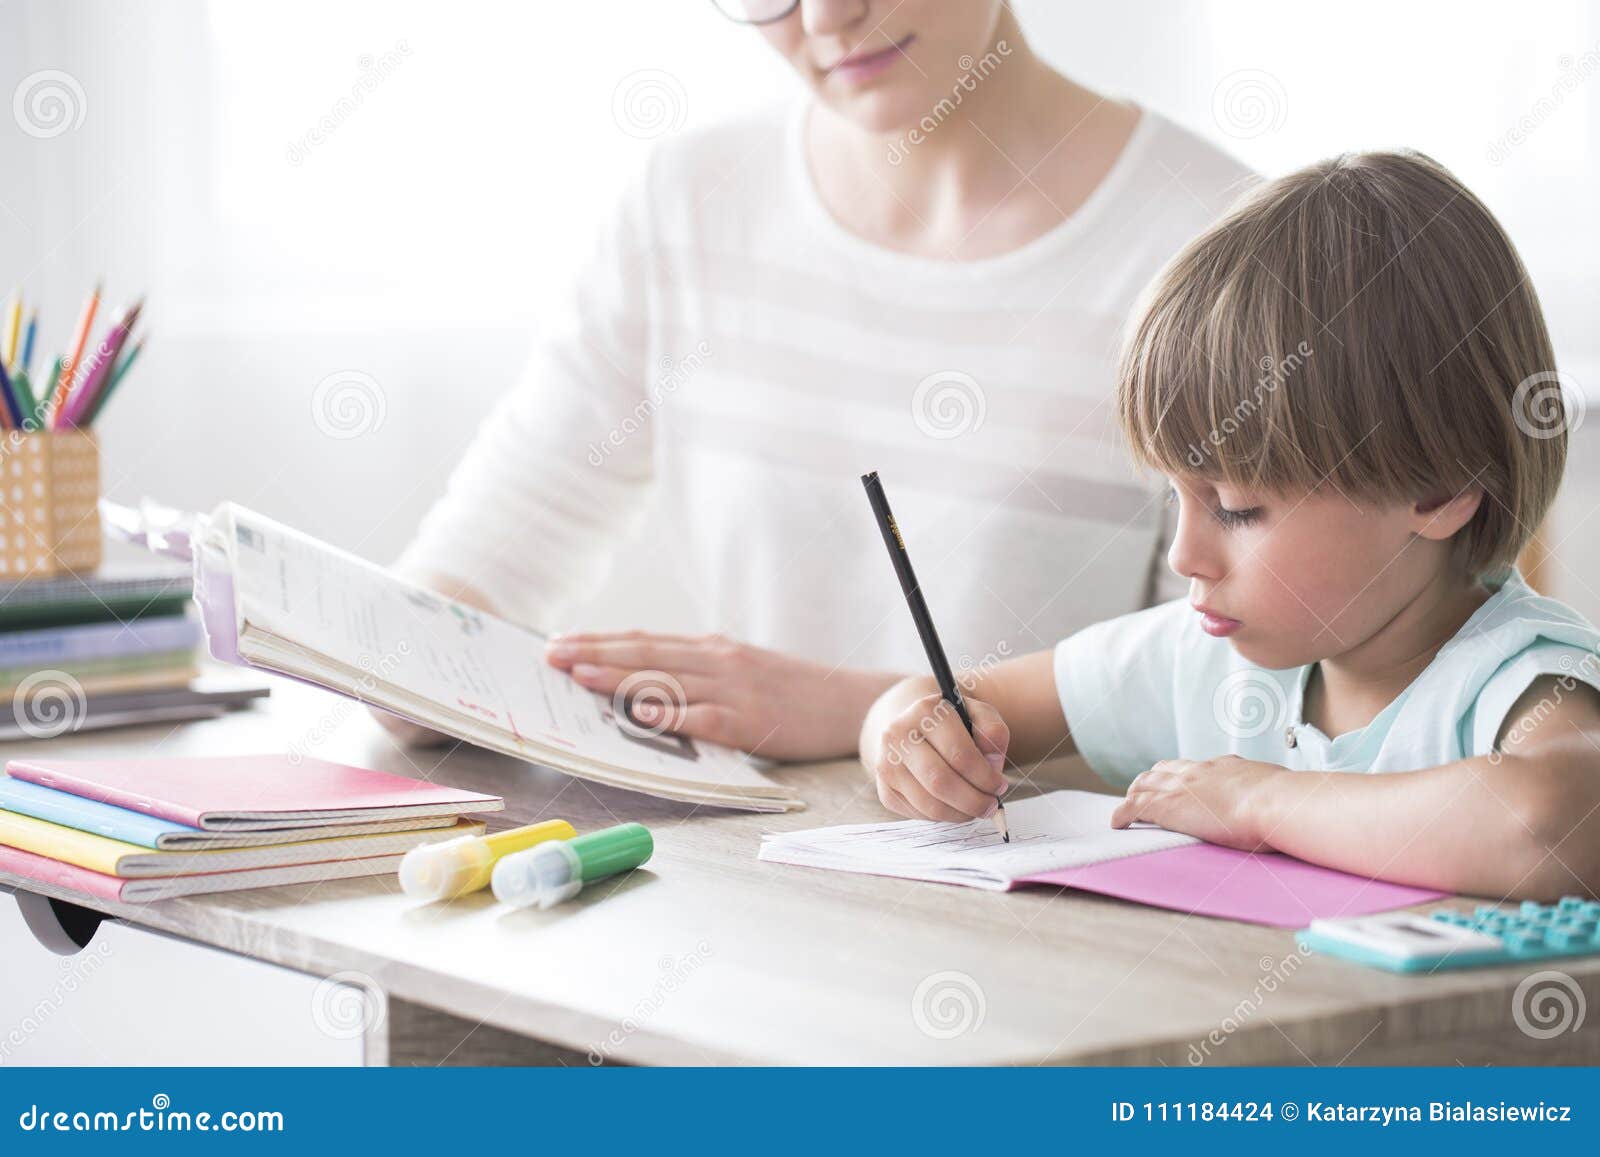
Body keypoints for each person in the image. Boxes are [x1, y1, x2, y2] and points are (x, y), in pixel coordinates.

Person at [383, 0, 1253, 759]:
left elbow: (1238, 701)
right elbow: (504, 535)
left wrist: (858, 711)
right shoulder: (691, 202)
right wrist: (394, 665)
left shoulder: (1220, 250)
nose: (827, 17)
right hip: (757, 881)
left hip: (1049, 907)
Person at [859, 150, 1600, 900]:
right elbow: (944, 696)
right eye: (1174, 497)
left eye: (1237, 508)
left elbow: (1553, 823)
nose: (1186, 554)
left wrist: (1257, 800)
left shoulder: (1520, 680)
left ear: (1440, 489)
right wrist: (908, 742)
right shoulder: (1203, 657)